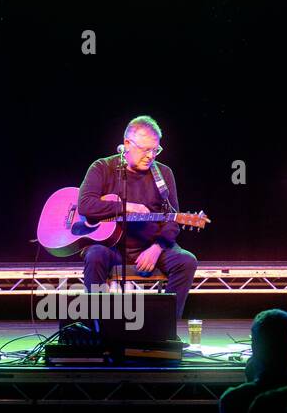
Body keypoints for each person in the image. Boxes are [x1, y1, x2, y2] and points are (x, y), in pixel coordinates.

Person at [76, 116, 197, 319]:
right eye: (145, 149)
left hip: (150, 246)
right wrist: (126, 207)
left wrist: (157, 248)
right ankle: (96, 327)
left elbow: (173, 219)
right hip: (111, 247)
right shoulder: (102, 168)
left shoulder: (164, 174)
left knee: (187, 261)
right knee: (94, 255)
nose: (150, 156)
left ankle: (164, 328)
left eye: (155, 150)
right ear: (126, 145)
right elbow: (85, 205)